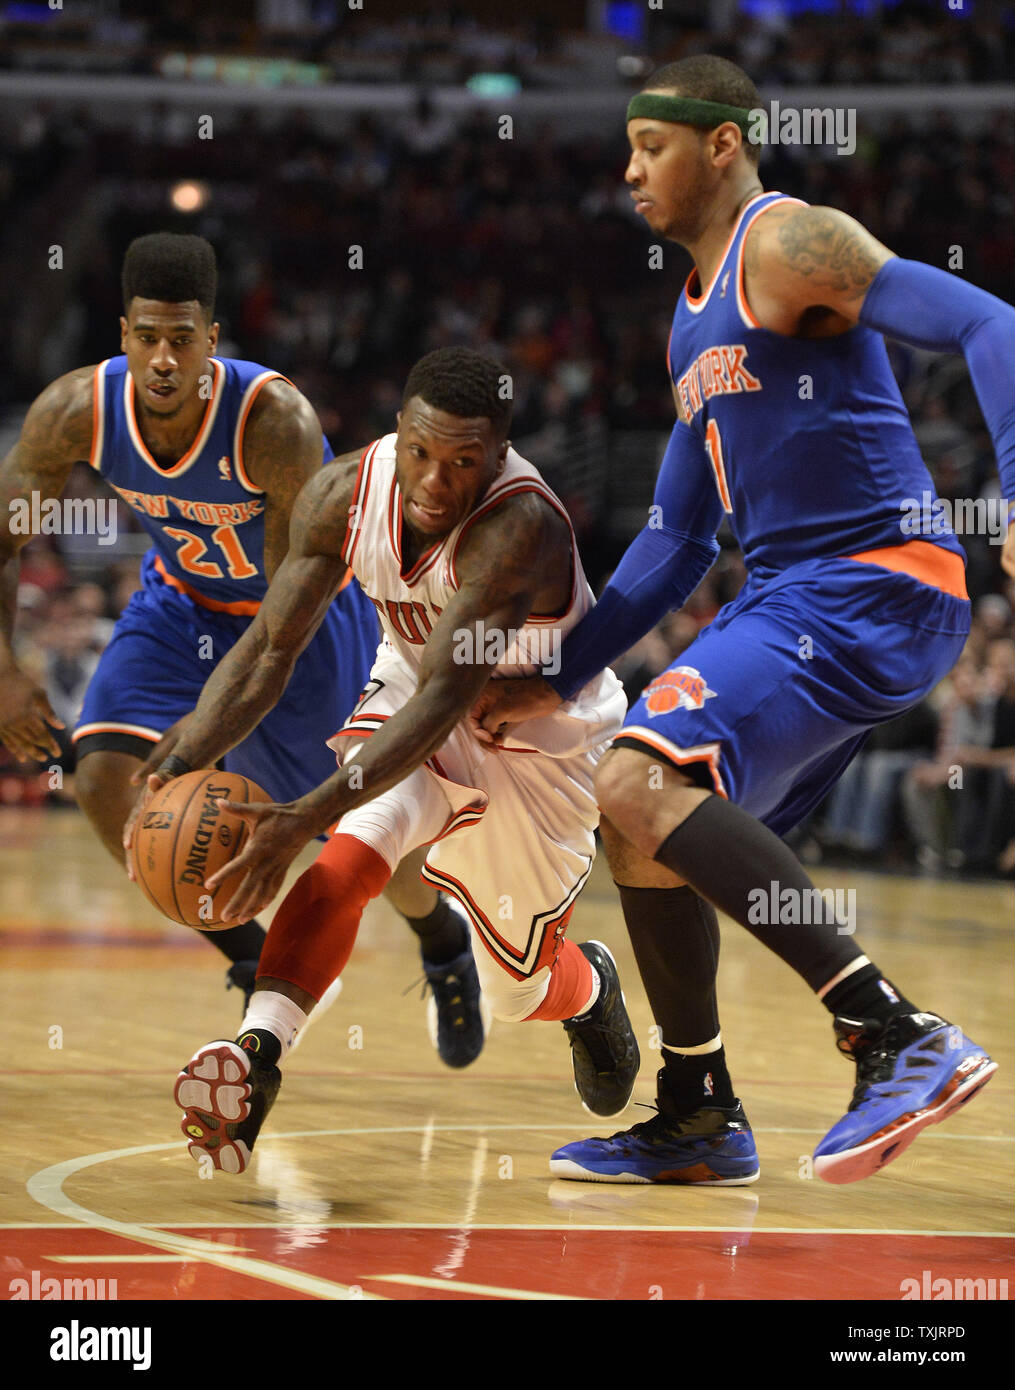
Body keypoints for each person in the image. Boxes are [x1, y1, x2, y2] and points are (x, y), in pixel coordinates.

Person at [471, 55, 1005, 1185]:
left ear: (720, 144)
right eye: (625, 148)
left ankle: (895, 1034)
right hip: (795, 597)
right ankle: (699, 1109)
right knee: (642, 829)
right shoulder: (686, 329)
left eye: (649, 146)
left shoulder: (787, 240)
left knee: (636, 778)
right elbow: (673, 544)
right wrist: (557, 667)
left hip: (868, 579)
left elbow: (990, 323)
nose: (627, 170)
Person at [126, 347, 639, 1175]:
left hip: (539, 743)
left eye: (464, 462)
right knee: (354, 852)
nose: (436, 481)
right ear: (397, 434)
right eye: (422, 454)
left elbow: (446, 705)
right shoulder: (339, 497)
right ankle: (257, 1056)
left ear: (499, 454)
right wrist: (180, 756)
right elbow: (267, 650)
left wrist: (304, 810)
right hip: (413, 693)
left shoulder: (519, 528)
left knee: (517, 993)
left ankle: (590, 991)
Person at [0, 232, 486, 1066]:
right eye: (147, 338)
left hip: (301, 624)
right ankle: (257, 962)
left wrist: (210, 731)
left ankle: (440, 940)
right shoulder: (72, 412)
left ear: (210, 343)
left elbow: (279, 620)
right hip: (179, 601)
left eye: (180, 340)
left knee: (364, 841)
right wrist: (6, 672)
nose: (162, 360)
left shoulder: (273, 425)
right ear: (122, 335)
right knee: (103, 777)